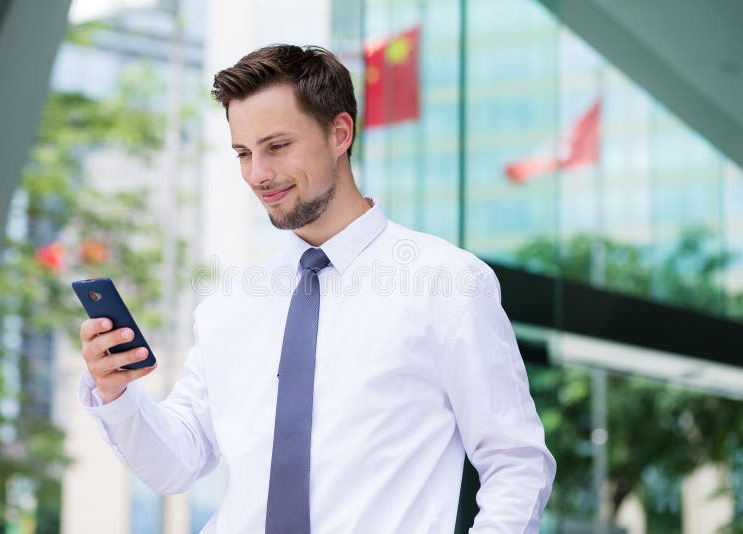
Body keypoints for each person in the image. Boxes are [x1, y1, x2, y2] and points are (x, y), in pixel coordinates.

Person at [79, 44, 555, 533]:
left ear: (339, 133)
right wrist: (116, 393)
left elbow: (515, 463)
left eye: (277, 146)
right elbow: (176, 463)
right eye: (244, 153)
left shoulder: (447, 284)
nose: (258, 174)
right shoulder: (230, 308)